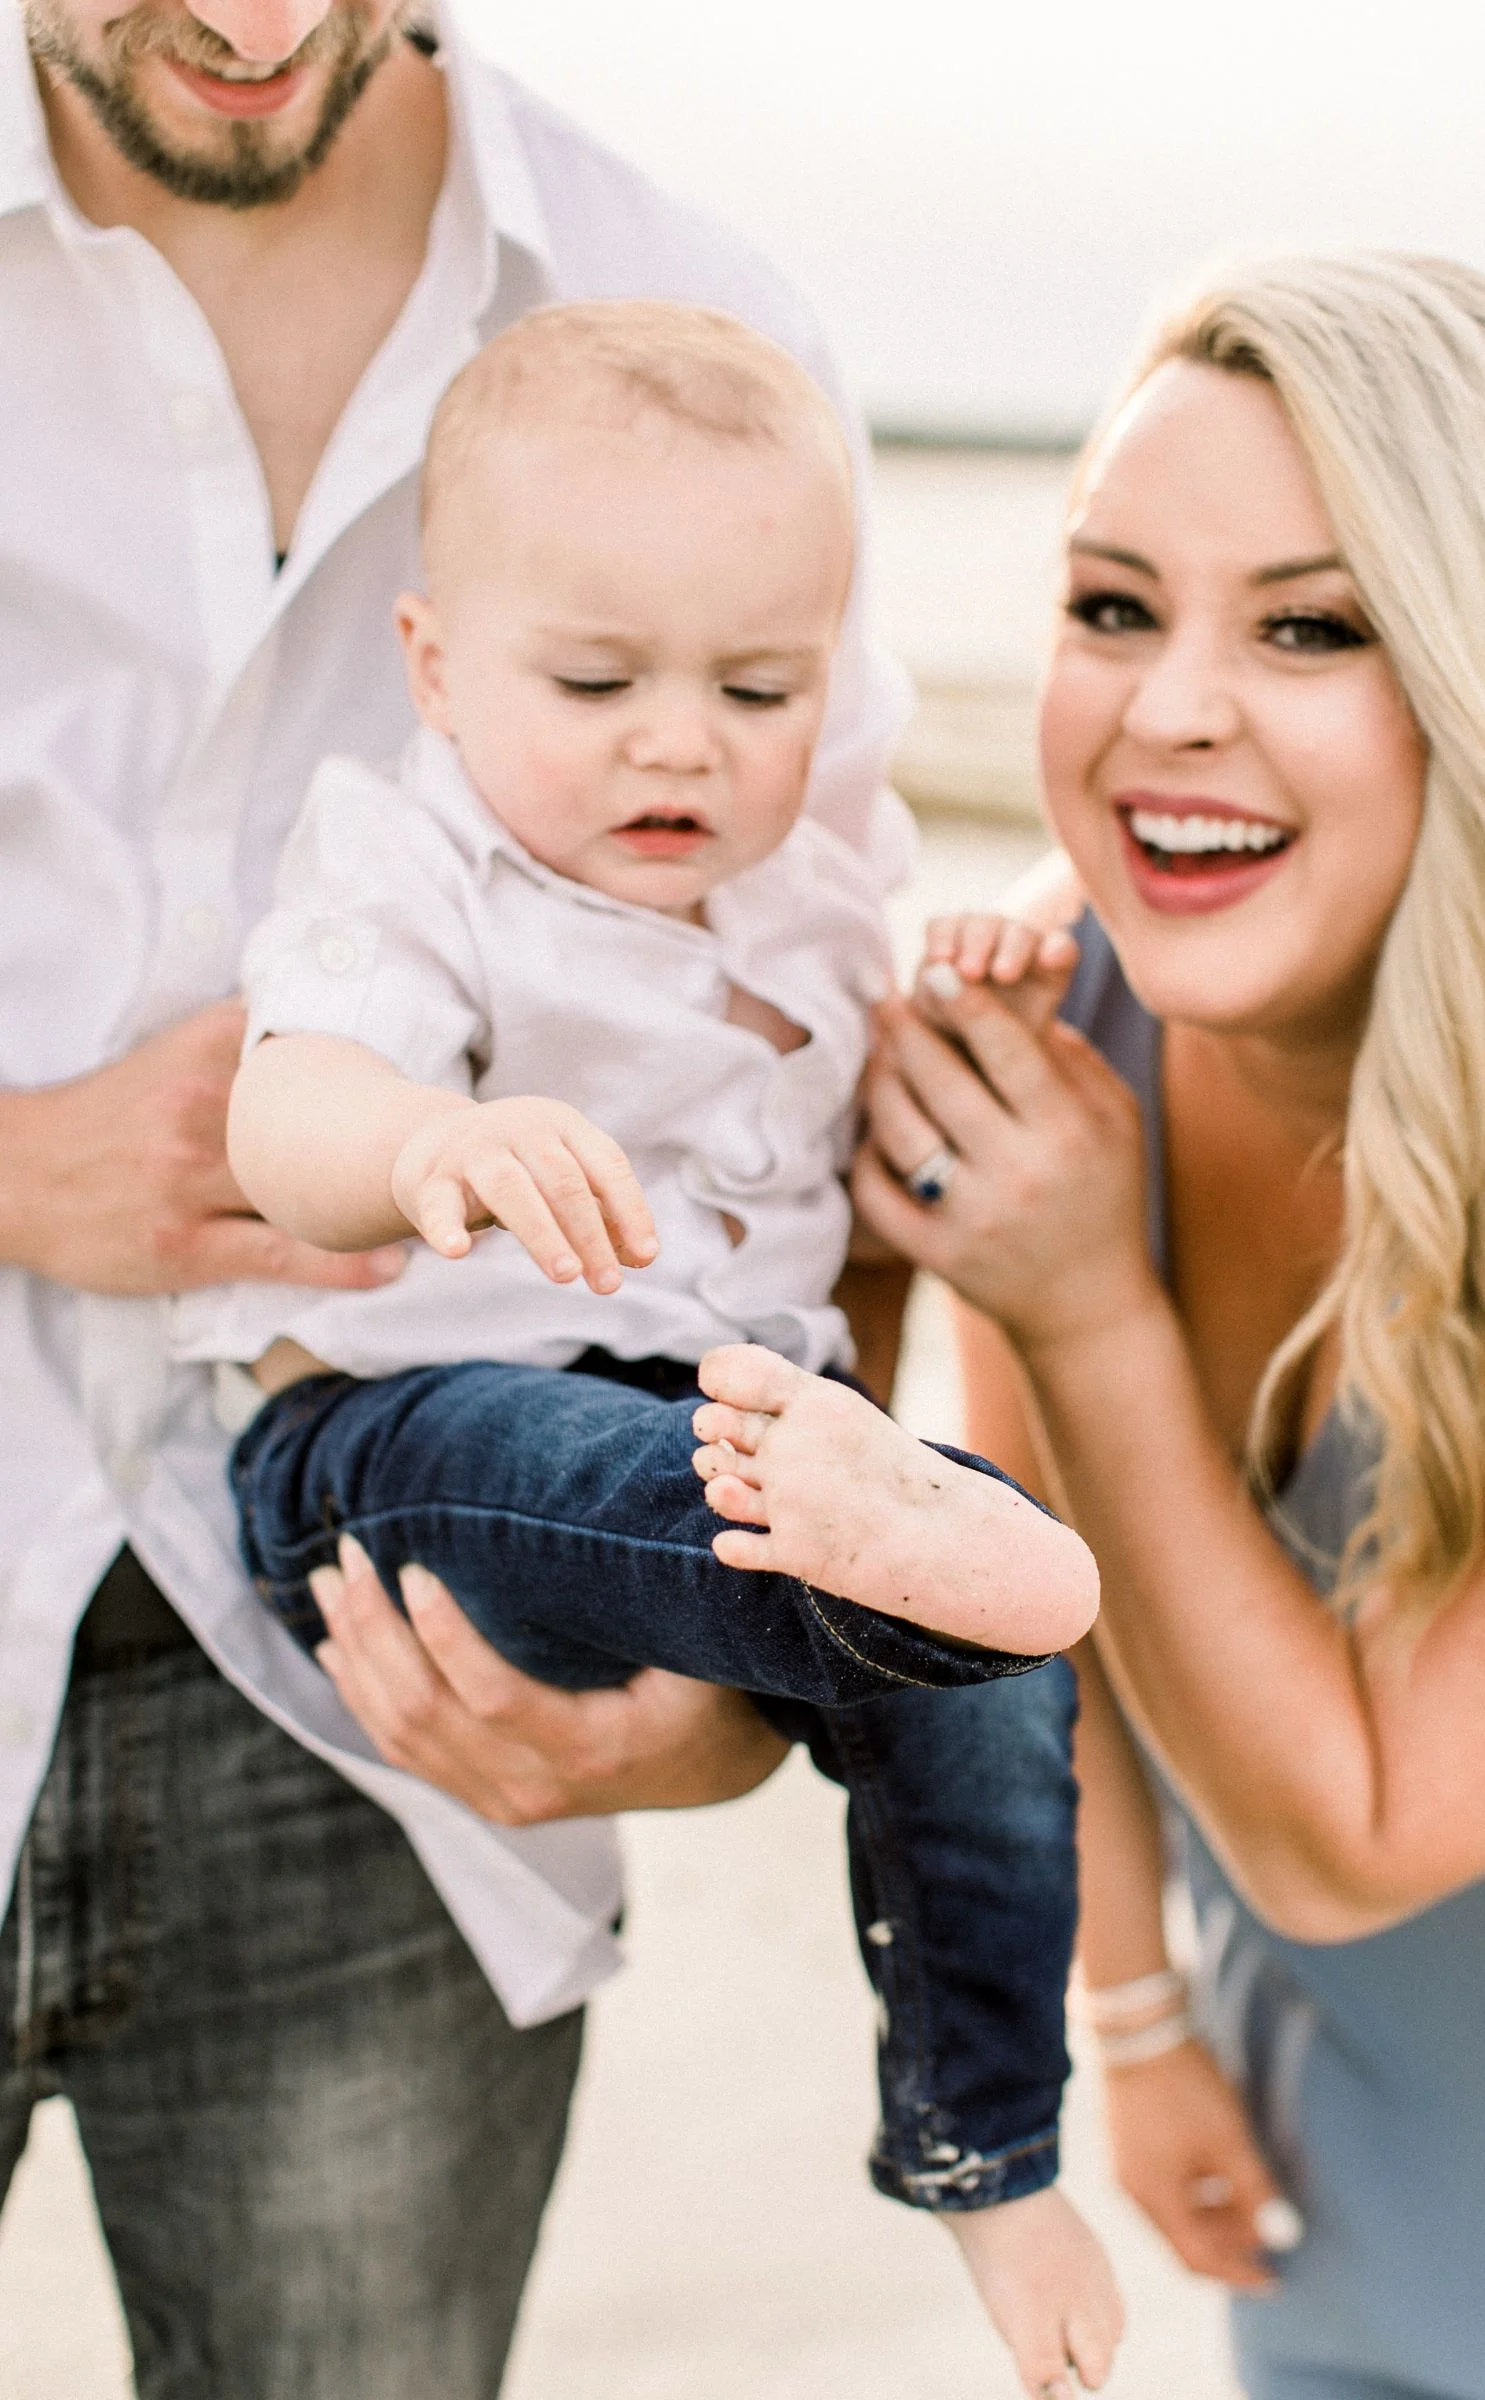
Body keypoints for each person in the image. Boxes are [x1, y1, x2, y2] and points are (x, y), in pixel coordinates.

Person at [0, 5, 919, 2391]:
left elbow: (804, 1102)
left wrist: (720, 1700)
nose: (243, 21)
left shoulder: (705, 325)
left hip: (399, 1728)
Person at [182, 293, 1118, 2397]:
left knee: (972, 1650)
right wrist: (430, 1134)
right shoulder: (407, 858)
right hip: (391, 1439)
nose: (680, 742)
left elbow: (849, 1063)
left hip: (736, 1426)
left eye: (759, 686)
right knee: (645, 1476)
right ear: (435, 665)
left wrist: (948, 961)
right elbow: (280, 1103)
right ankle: (833, 1551)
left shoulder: (798, 885)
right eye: (596, 682)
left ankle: (987, 2143)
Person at [857, 253, 1485, 2400]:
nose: (1168, 706)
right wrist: (1136, 2021)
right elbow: (1028, 1607)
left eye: (1305, 624)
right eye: (1109, 606)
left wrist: (1086, 1293)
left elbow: (1345, 1834)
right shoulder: (1059, 1028)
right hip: (1333, 2195)